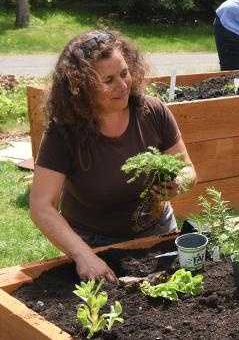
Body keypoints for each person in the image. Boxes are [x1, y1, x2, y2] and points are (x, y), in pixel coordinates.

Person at [29, 31, 197, 283]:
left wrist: (178, 183)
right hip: (94, 243)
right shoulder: (64, 131)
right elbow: (41, 206)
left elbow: (188, 170)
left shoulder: (152, 112)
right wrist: (83, 255)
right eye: (108, 80)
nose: (122, 85)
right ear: (81, 87)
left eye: (124, 73)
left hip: (157, 231)